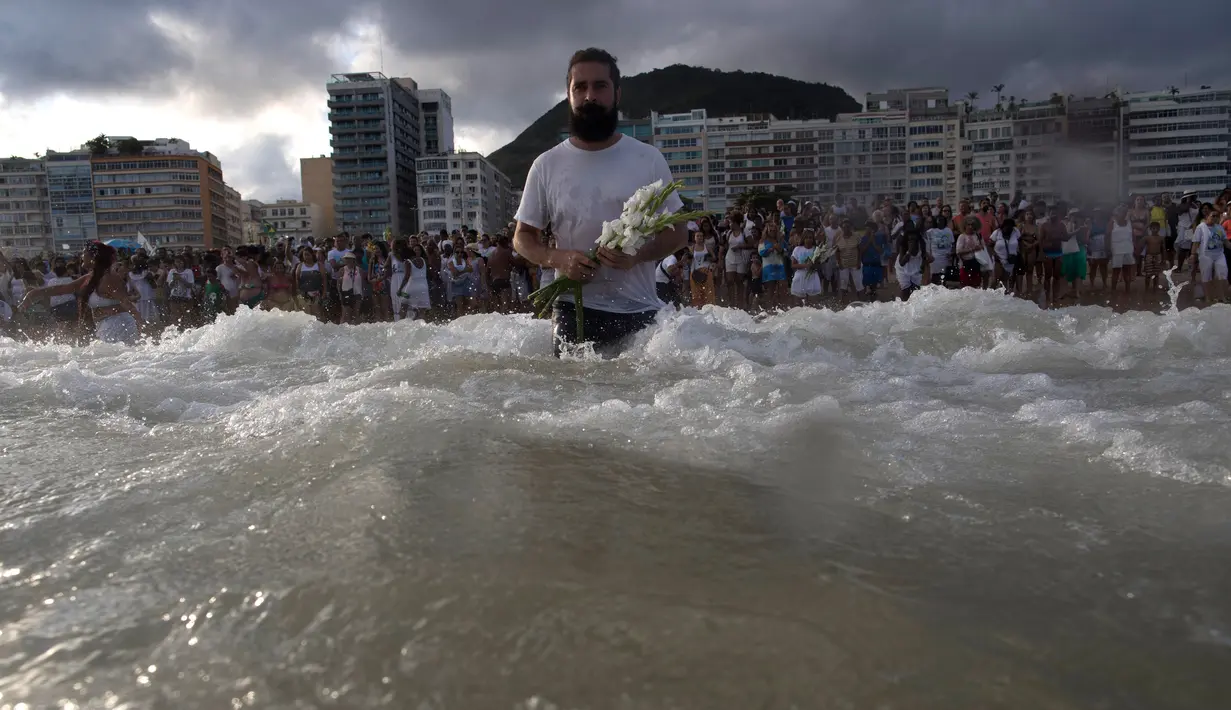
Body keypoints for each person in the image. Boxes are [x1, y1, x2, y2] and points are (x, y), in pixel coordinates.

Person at [513, 48, 687, 357]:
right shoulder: (546, 165)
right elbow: (523, 238)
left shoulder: (647, 159)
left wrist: (639, 255)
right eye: (580, 87)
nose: (589, 95)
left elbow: (678, 232)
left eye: (599, 86)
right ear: (569, 95)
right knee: (574, 402)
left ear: (616, 93)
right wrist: (559, 259)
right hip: (574, 309)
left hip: (640, 308)